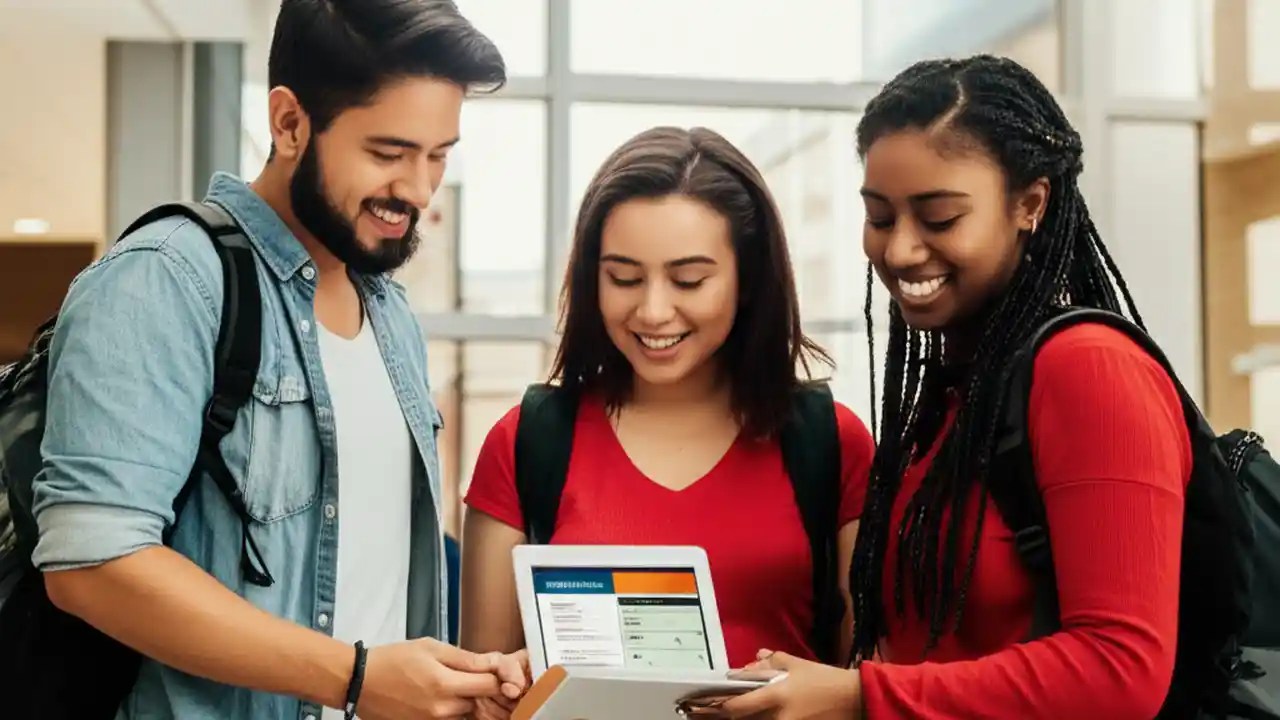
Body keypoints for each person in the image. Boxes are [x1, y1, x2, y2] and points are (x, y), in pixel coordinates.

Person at [30, 1, 528, 718]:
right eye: (389, 154)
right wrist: (355, 678)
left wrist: (451, 680)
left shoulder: (391, 314)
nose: (418, 190)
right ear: (289, 122)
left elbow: (368, 580)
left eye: (438, 155)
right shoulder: (165, 281)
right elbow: (92, 565)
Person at [718, 55, 1190, 719]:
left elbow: (1122, 670)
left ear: (1030, 203)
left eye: (938, 219)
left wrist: (859, 697)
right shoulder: (959, 392)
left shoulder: (1091, 372)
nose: (902, 250)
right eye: (880, 217)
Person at [459, 126, 876, 696]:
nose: (653, 311)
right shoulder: (525, 443)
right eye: (623, 278)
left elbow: (865, 686)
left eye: (689, 280)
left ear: (748, 280)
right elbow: (479, 695)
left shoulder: (831, 441)